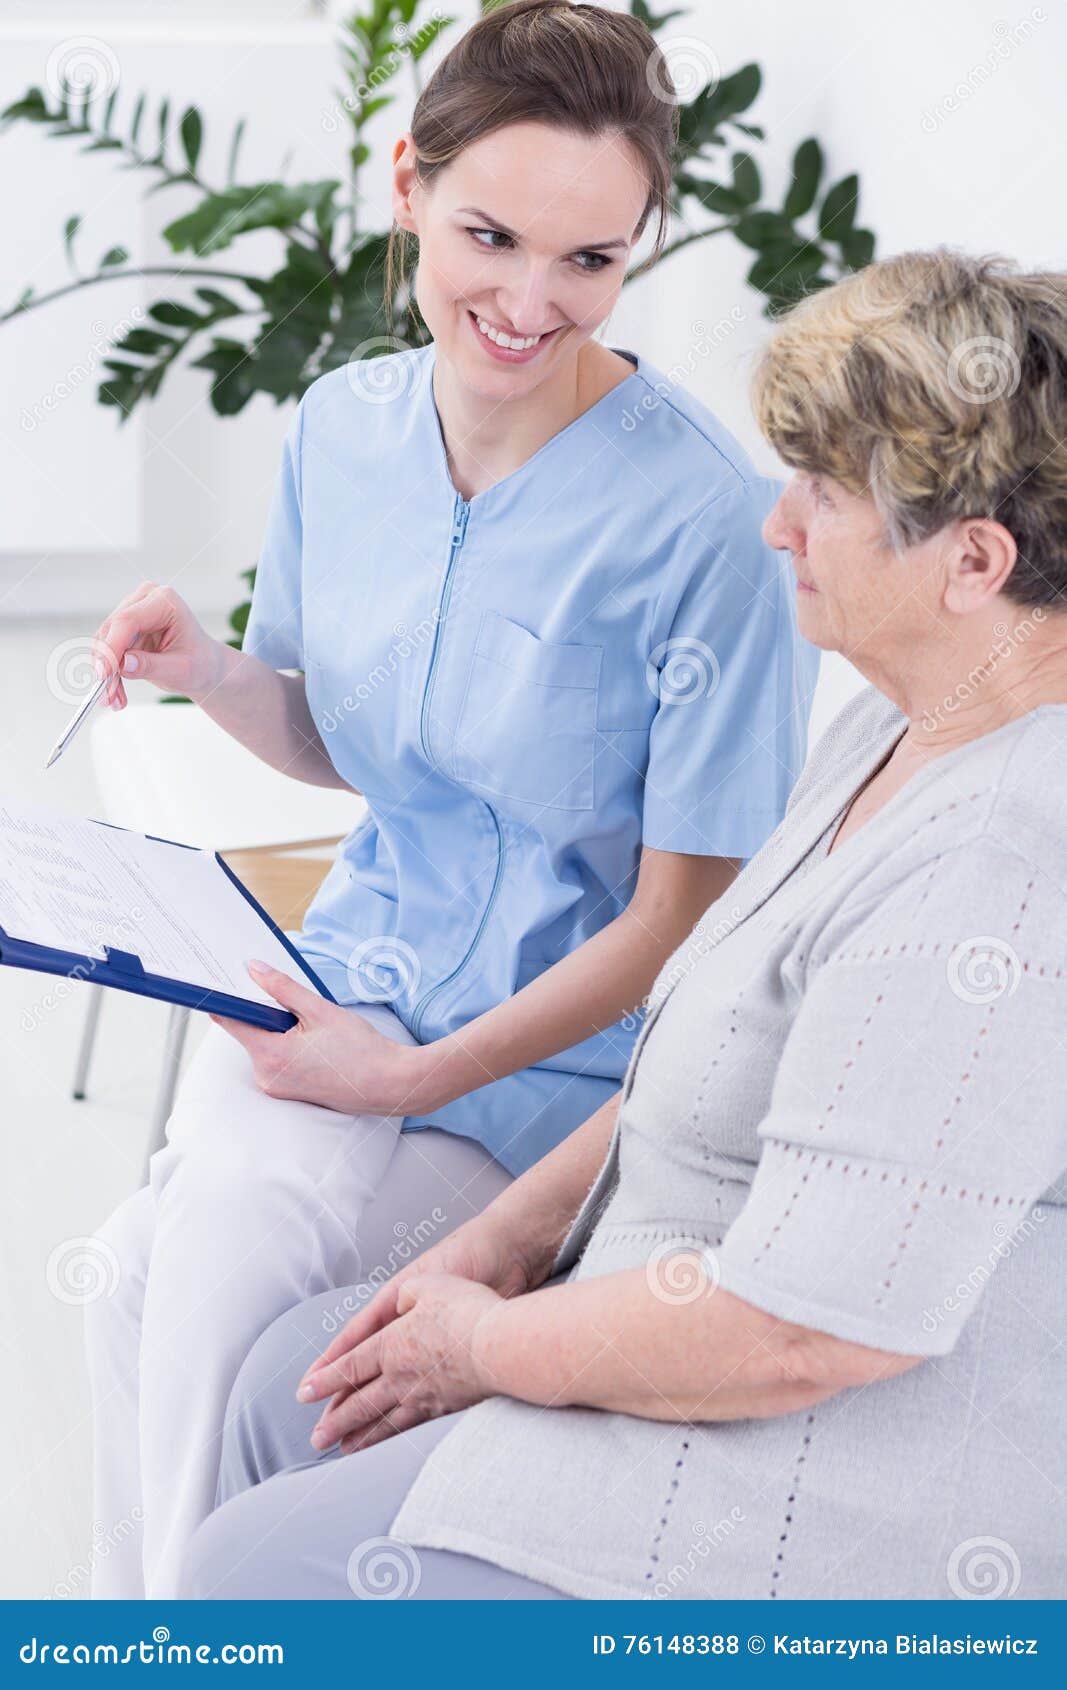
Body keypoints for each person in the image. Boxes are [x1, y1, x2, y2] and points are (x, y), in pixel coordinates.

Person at [182, 247, 1067, 1602]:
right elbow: (702, 1050)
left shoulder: (1004, 860)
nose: (778, 525)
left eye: (824, 493)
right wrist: (505, 1242)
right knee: (281, 1387)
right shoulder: (894, 729)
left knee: (252, 1574)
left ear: (975, 561)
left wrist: (484, 1346)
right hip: (681, 1286)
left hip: (825, 1465)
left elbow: (801, 1330)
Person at [84, 0, 816, 1598]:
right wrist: (211, 672)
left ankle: (175, 1633)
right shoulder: (339, 429)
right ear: (406, 184)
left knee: (201, 1267)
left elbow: (690, 917)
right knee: (131, 1281)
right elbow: (355, 744)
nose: (530, 302)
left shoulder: (707, 523)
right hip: (334, 988)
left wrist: (409, 1067)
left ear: (638, 251)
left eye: (590, 261)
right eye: (491, 234)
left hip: (547, 1078)